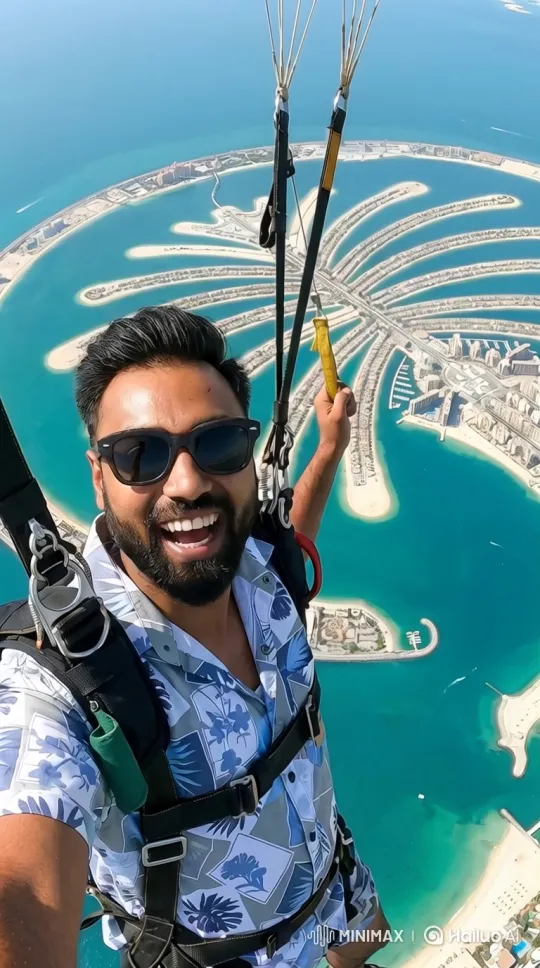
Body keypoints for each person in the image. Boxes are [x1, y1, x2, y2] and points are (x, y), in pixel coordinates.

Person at [0, 306, 390, 968]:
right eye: (140, 455)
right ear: (98, 473)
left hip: (332, 890)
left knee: (368, 944)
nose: (186, 483)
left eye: (217, 444)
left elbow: (294, 538)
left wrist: (328, 448)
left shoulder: (260, 563)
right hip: (221, 956)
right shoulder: (63, 679)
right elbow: (25, 890)